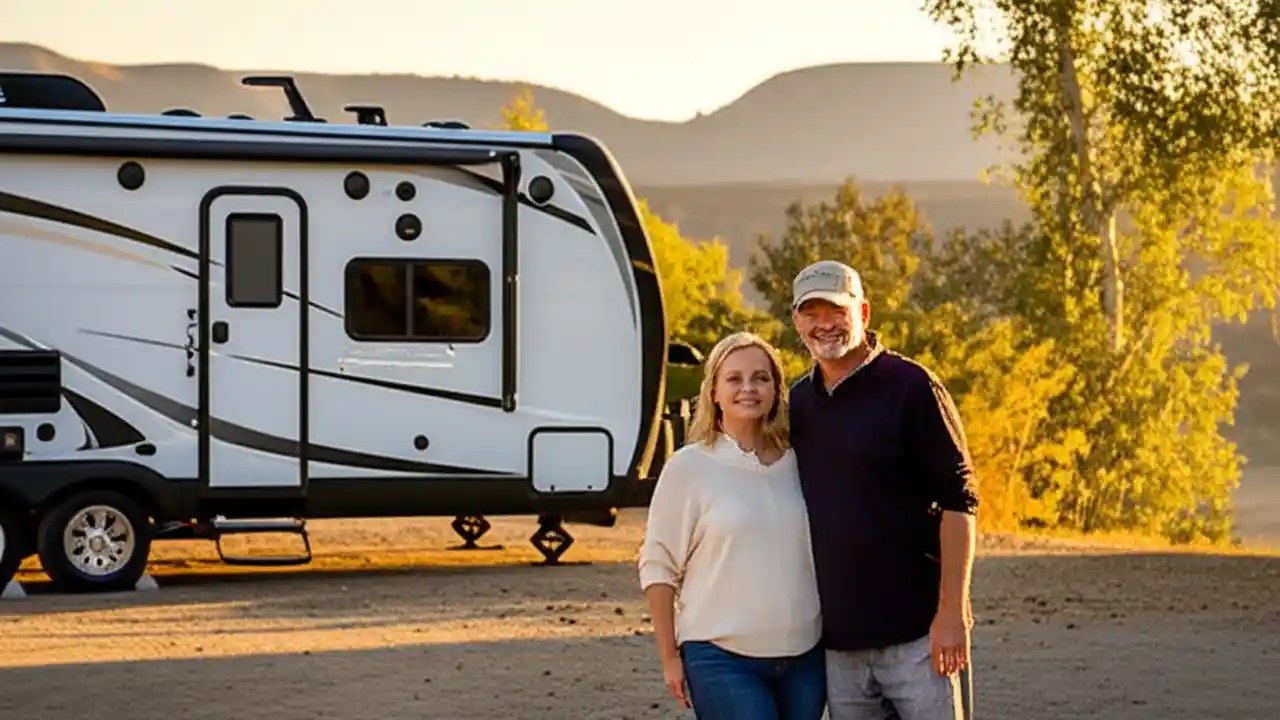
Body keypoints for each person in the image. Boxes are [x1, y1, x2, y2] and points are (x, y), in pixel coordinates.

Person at [787, 260, 980, 720]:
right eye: (810, 313)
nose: (824, 324)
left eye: (835, 310)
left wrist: (952, 613)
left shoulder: (912, 387)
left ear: (864, 312)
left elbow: (960, 500)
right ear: (796, 321)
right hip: (838, 647)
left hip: (919, 636)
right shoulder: (796, 402)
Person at [638, 331, 827, 720]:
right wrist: (669, 656)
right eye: (734, 378)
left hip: (806, 659)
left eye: (761, 378)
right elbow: (658, 565)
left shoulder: (801, 462)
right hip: (721, 658)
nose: (749, 388)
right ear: (714, 392)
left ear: (776, 389)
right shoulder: (689, 467)